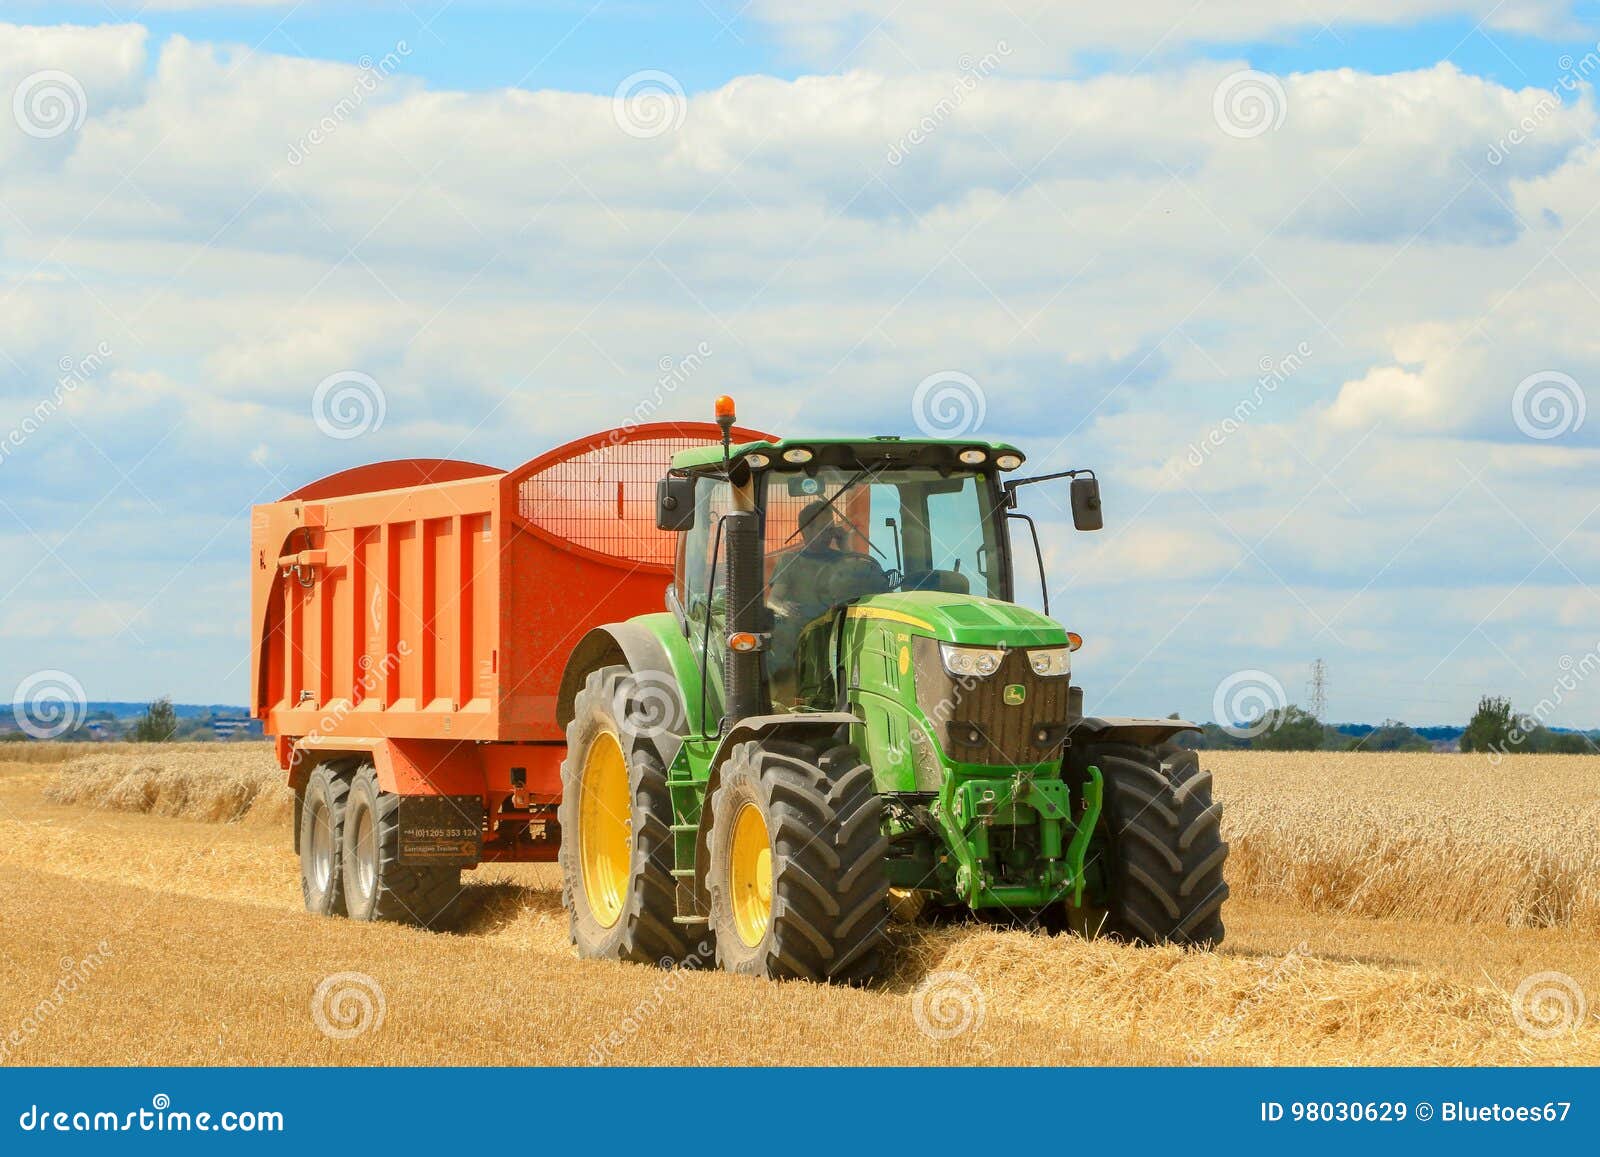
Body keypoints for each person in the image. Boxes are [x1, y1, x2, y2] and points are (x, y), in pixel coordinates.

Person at [767, 499, 889, 707]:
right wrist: (783, 608)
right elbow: (773, 600)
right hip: (803, 634)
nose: (828, 534)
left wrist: (845, 546)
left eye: (830, 528)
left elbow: (858, 583)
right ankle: (790, 701)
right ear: (806, 530)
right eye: (822, 528)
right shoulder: (791, 561)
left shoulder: (842, 559)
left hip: (841, 629)